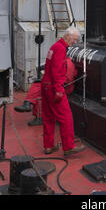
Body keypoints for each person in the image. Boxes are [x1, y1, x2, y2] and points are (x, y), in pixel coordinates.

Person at [41, 26, 85, 156]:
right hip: (54, 88)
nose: (75, 42)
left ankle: (48, 146)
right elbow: (57, 71)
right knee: (66, 116)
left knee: (48, 116)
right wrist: (59, 90)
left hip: (46, 85)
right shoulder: (60, 49)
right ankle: (68, 146)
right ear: (68, 36)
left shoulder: (54, 47)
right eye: (75, 39)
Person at [14, 57, 78, 127]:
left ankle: (28, 104)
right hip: (57, 85)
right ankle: (30, 106)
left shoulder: (68, 63)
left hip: (64, 88)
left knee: (39, 87)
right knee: (38, 86)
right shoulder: (61, 61)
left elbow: (67, 80)